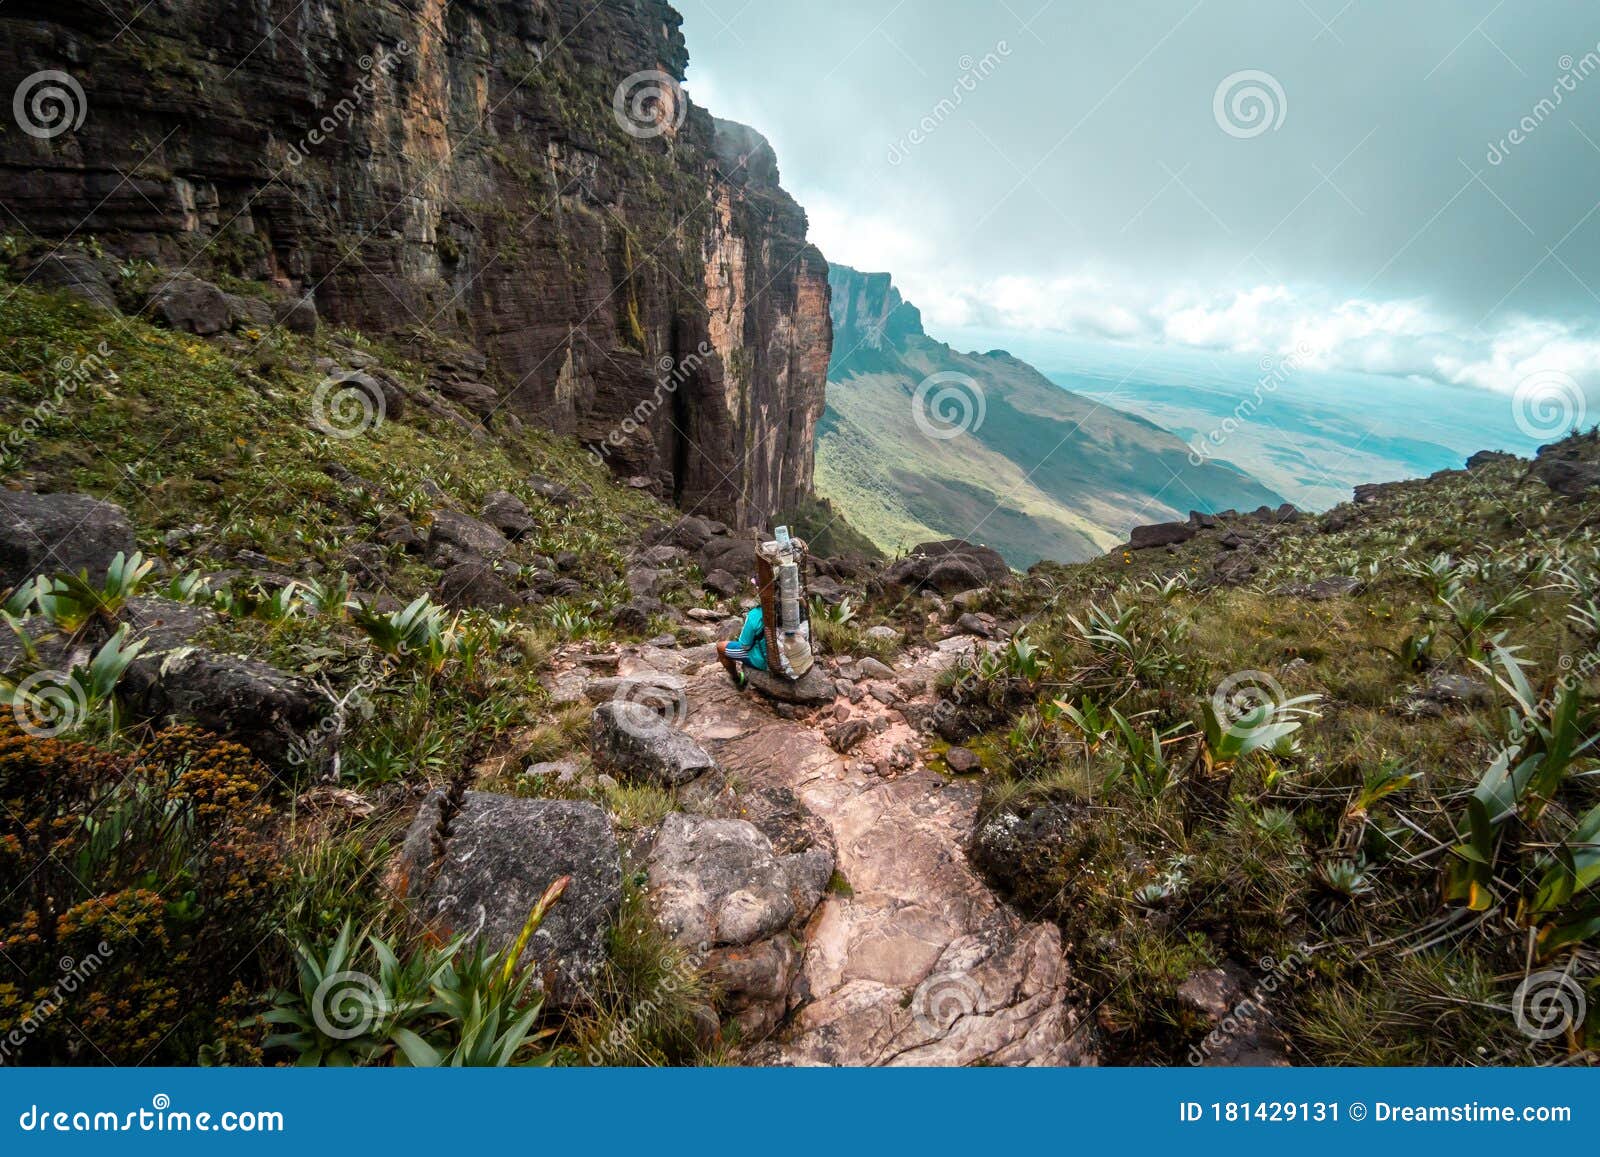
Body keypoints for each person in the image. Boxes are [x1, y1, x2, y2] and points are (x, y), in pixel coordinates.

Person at [718, 602, 767, 687]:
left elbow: (745, 645)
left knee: (720, 647)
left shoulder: (756, 614)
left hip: (764, 661)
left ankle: (737, 679)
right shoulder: (795, 610)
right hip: (792, 657)